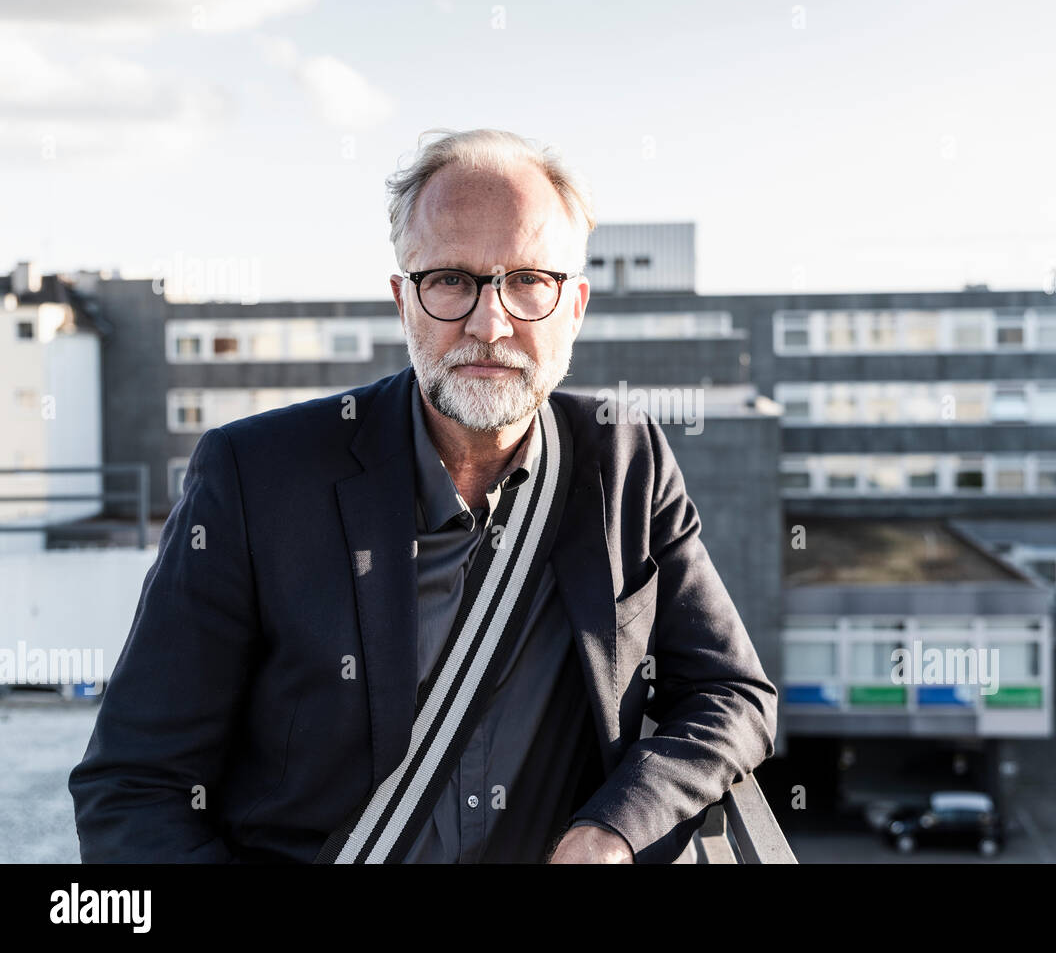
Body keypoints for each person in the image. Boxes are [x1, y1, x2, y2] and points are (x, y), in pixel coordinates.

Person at [69, 127, 778, 864]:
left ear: (576, 305)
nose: (489, 323)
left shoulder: (622, 459)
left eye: (529, 279)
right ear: (402, 299)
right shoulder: (255, 475)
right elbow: (135, 784)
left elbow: (731, 695)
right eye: (450, 280)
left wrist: (615, 829)